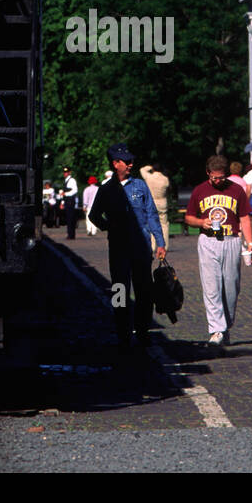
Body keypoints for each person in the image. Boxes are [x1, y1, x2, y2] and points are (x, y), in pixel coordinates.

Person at [89, 143, 166, 352]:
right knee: (120, 291)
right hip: (118, 250)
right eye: (127, 161)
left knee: (144, 292)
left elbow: (151, 214)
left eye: (132, 161)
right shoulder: (106, 190)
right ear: (116, 164)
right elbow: (93, 216)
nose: (132, 164)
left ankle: (142, 332)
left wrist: (160, 242)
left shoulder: (140, 186)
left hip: (140, 249)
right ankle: (122, 332)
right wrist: (110, 228)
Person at [185, 155, 252, 348]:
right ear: (208, 173)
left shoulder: (236, 190)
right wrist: (201, 222)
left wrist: (250, 244)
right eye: (214, 177)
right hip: (208, 241)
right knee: (211, 286)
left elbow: (245, 218)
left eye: (221, 177)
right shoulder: (200, 190)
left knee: (231, 287)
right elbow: (189, 218)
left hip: (231, 240)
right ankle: (216, 329)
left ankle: (225, 327)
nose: (218, 181)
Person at [140, 162, 172, 253]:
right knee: (164, 224)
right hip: (162, 202)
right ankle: (164, 245)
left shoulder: (149, 177)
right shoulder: (165, 179)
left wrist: (149, 167)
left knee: (151, 223)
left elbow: (142, 170)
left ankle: (152, 246)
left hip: (151, 201)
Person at [62, 167, 79, 239]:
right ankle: (70, 233)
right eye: (64, 172)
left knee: (70, 218)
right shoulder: (66, 181)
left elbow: (75, 190)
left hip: (70, 201)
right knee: (68, 218)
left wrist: (66, 194)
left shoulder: (72, 180)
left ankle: (71, 234)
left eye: (66, 172)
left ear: (69, 173)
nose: (65, 173)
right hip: (67, 200)